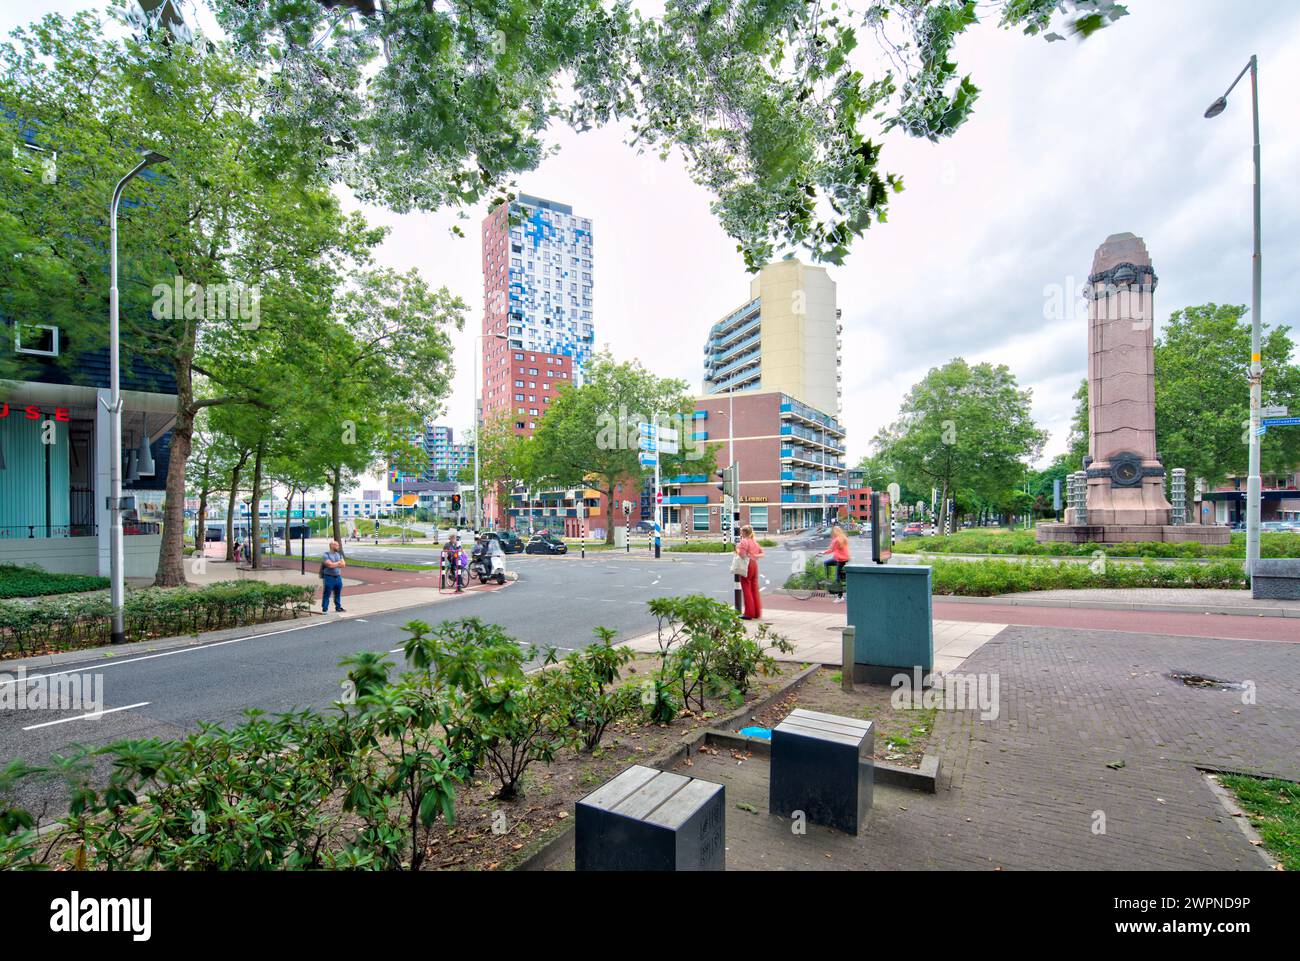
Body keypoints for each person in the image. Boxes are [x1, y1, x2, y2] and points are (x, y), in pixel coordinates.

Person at [735, 524, 764, 620]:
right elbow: (762, 553)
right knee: (754, 588)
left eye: (741, 532)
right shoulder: (754, 542)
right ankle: (756, 612)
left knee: (746, 588)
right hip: (754, 565)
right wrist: (754, 555)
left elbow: (742, 555)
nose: (741, 534)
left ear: (744, 532)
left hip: (746, 565)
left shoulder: (744, 541)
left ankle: (749, 613)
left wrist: (736, 549)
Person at [822, 525, 851, 602]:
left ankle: (840, 596)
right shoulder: (843, 537)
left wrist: (823, 552)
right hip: (843, 558)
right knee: (826, 563)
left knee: (837, 578)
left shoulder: (837, 540)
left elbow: (831, 549)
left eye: (833, 532)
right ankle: (830, 578)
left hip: (840, 560)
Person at [320, 539, 347, 613]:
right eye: (337, 545)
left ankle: (338, 607)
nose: (338, 546)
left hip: (338, 577)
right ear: (332, 546)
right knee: (327, 593)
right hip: (329, 577)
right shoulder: (326, 555)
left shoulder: (339, 554)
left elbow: (343, 565)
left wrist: (335, 564)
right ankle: (325, 609)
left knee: (337, 593)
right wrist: (338, 563)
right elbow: (330, 565)